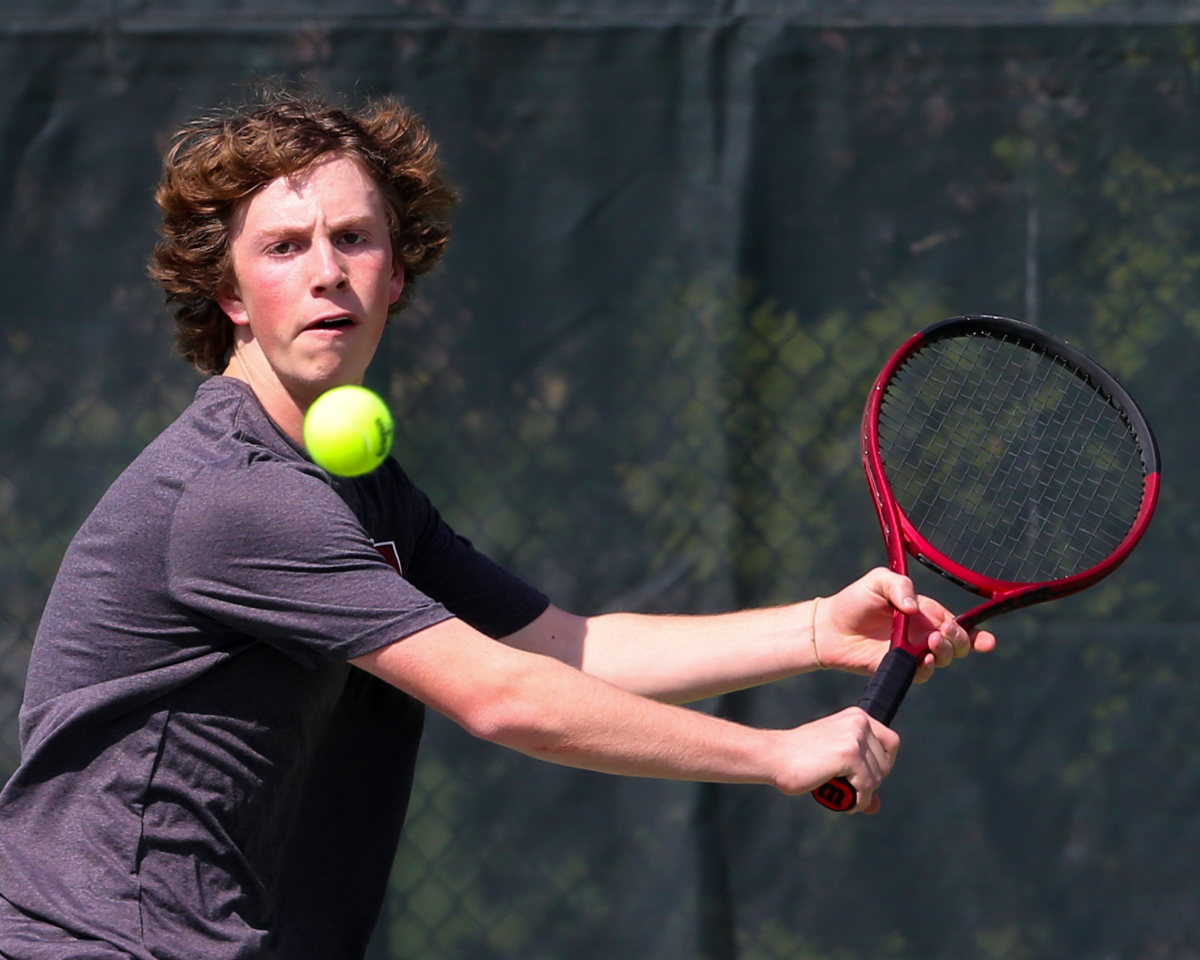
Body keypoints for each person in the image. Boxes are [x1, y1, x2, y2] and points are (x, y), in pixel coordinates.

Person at [0, 91, 995, 960]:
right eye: (284, 247)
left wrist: (818, 630)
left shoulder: (360, 489)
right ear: (229, 295)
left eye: (354, 238)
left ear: (397, 273)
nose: (326, 271)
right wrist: (775, 754)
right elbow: (505, 697)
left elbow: (563, 647)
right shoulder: (238, 497)